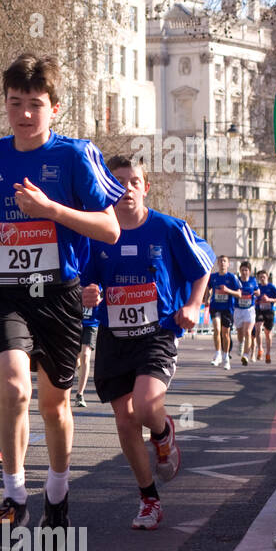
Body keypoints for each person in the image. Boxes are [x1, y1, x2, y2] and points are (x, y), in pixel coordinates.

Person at [0, 53, 123, 529]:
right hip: (5, 289)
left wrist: (51, 210)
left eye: (35, 104)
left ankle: (59, 490)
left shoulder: (74, 155)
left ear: (55, 107)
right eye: (15, 103)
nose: (24, 114)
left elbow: (109, 229)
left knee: (54, 404)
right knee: (12, 386)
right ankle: (14, 495)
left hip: (59, 294)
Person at [81, 157, 211, 529]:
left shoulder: (169, 229)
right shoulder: (97, 234)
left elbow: (202, 266)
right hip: (114, 336)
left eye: (134, 181)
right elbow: (86, 284)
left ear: (145, 187)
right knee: (124, 420)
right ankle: (149, 499)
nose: (126, 188)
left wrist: (193, 304)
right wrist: (88, 294)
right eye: (118, 181)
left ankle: (163, 432)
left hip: (157, 333)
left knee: (144, 404)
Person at [205, 255, 238, 369]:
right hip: (215, 306)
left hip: (227, 309)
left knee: (225, 333)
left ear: (228, 264)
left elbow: (239, 294)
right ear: (218, 264)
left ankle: (226, 356)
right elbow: (207, 288)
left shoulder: (232, 277)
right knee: (217, 329)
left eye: (225, 261)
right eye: (220, 261)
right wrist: (206, 298)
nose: (222, 263)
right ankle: (218, 354)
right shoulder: (213, 277)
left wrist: (227, 290)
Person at [232, 260, 258, 366]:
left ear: (249, 271)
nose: (244, 272)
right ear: (240, 271)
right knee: (240, 332)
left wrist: (254, 293)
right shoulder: (236, 281)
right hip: (238, 309)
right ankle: (241, 343)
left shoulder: (253, 280)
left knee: (248, 332)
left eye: (246, 270)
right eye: (242, 270)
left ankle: (246, 355)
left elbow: (258, 291)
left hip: (249, 310)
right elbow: (233, 292)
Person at [254, 269, 276, 363]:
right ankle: (260, 349)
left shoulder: (271, 287)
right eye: (260, 277)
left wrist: (269, 299)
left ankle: (268, 353)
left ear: (267, 277)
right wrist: (256, 301)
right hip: (259, 310)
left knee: (268, 333)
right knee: (258, 328)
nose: (262, 279)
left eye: (263, 277)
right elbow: (253, 297)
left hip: (269, 311)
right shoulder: (257, 287)